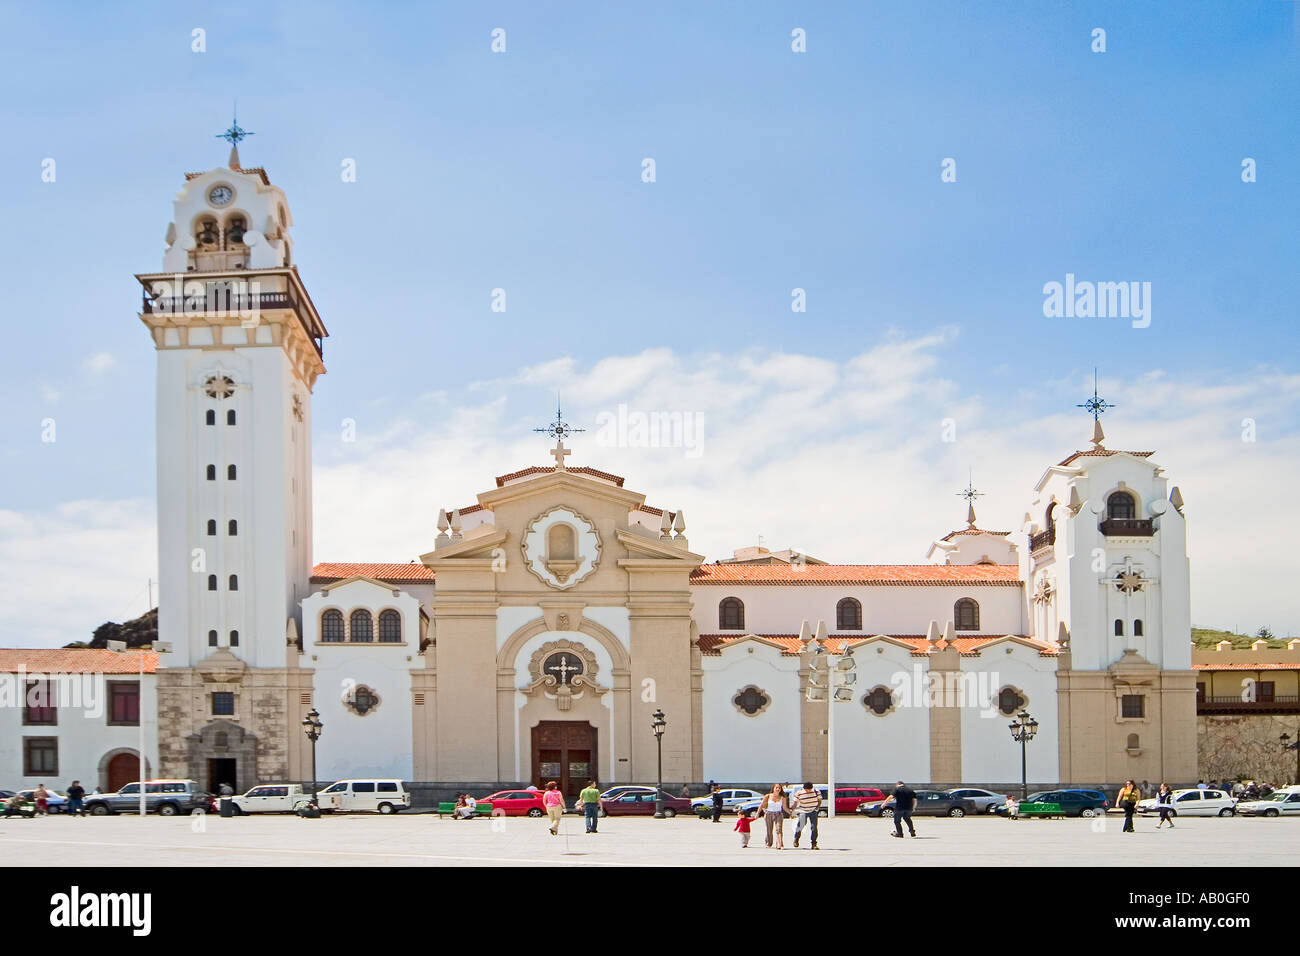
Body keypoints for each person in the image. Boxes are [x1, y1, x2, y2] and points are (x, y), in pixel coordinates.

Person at [759, 783, 791, 849]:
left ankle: (780, 844)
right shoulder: (767, 796)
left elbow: (785, 807)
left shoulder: (783, 797)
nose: (778, 789)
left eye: (779, 788)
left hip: (778, 814)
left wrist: (791, 813)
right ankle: (769, 843)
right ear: (773, 788)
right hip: (768, 814)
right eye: (776, 787)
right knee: (769, 830)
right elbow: (761, 805)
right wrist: (757, 814)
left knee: (779, 829)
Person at [792, 782, 821, 849]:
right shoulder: (799, 793)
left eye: (809, 789)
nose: (808, 791)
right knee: (800, 826)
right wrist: (792, 811)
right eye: (806, 790)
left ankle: (814, 844)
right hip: (803, 811)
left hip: (813, 811)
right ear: (804, 788)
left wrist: (817, 808)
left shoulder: (816, 791)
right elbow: (795, 803)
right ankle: (796, 839)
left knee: (814, 828)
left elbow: (819, 800)